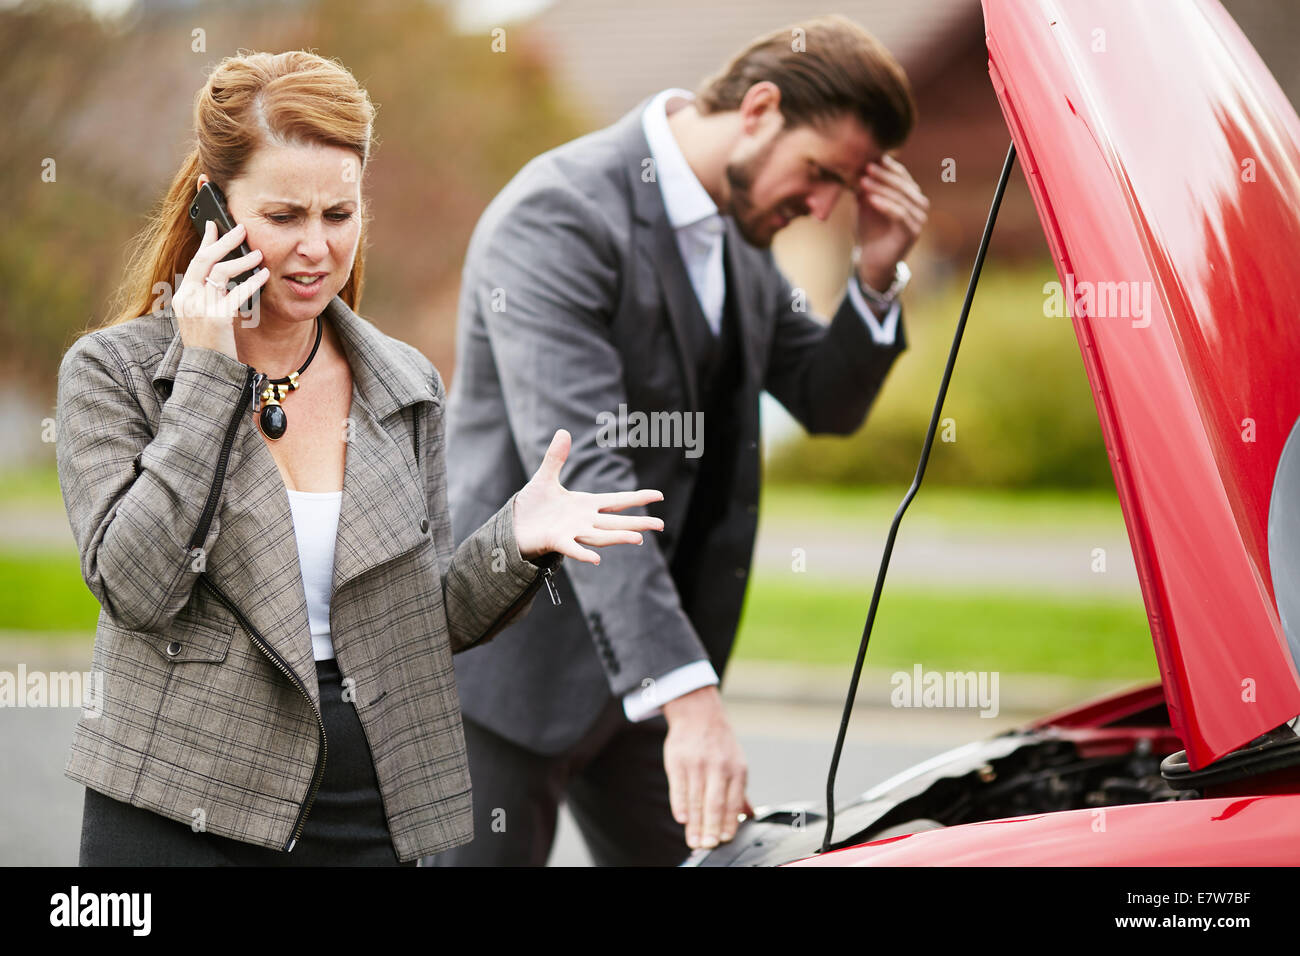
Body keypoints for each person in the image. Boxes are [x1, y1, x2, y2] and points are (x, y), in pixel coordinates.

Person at [55, 49, 663, 866]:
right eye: (284, 217)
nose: (315, 248)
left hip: (367, 808)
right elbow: (136, 585)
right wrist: (208, 372)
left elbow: (419, 622)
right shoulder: (112, 374)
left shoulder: (403, 382)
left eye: (338, 216)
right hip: (180, 807)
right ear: (213, 210)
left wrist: (515, 540)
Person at [429, 15, 928, 867]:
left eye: (840, 189)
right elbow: (589, 476)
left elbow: (825, 399)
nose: (820, 208)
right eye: (820, 174)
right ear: (761, 108)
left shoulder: (742, 235)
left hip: (652, 676)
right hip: (505, 675)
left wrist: (875, 277)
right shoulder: (559, 216)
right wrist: (691, 701)